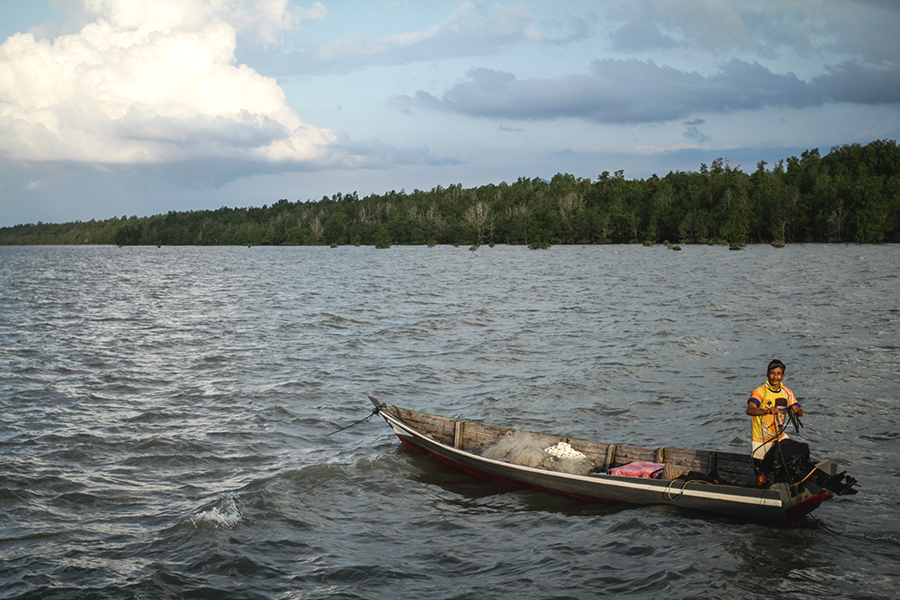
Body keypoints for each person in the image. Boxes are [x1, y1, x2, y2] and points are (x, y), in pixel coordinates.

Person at [746, 359, 803, 487]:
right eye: (772, 373)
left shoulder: (787, 392)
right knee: (761, 472)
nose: (775, 377)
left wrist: (796, 409)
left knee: (791, 460)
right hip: (761, 439)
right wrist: (766, 411)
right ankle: (761, 493)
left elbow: (799, 412)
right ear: (767, 375)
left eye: (778, 374)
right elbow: (750, 410)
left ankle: (786, 489)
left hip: (779, 436)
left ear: (782, 376)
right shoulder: (760, 391)